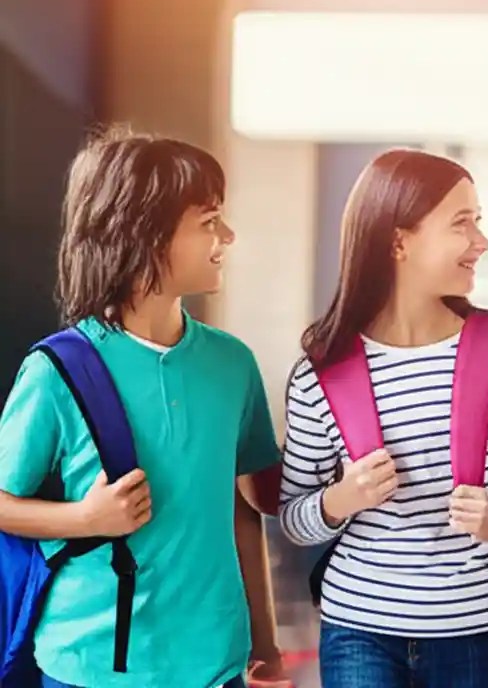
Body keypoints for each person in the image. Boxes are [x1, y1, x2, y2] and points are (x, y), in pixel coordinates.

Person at [0, 127, 285, 688]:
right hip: (91, 664)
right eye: (208, 222)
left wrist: (266, 644)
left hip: (217, 664)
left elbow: (242, 510)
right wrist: (84, 519)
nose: (226, 236)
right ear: (147, 236)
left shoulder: (232, 363)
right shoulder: (57, 371)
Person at [276, 149, 488, 687]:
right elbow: (295, 517)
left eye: (478, 223)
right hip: (359, 632)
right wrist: (342, 499)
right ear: (398, 240)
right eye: (463, 224)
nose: (481, 242)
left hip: (478, 633)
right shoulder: (320, 375)